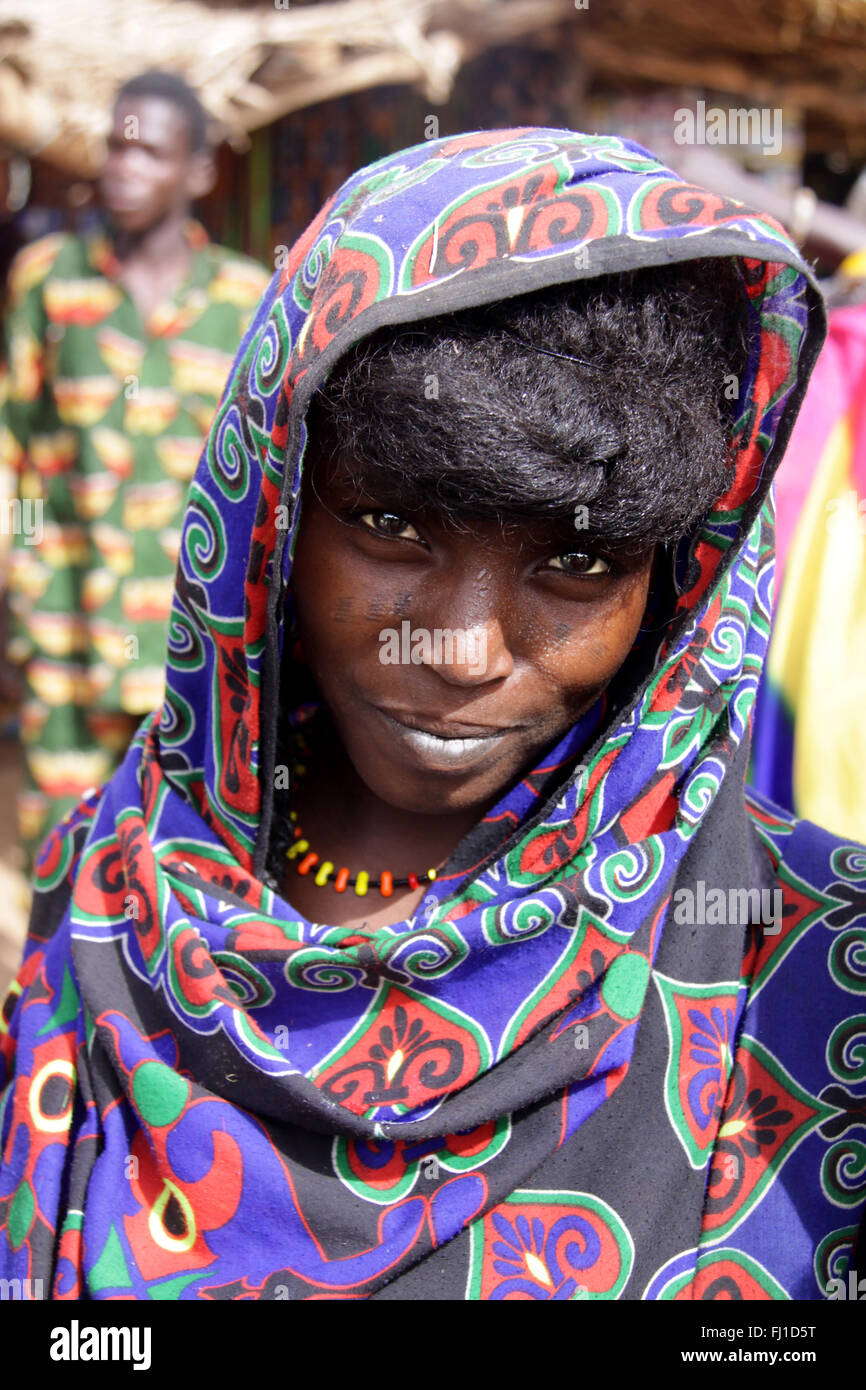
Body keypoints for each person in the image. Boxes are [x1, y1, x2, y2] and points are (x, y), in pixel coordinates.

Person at [1, 127, 864, 1301]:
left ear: (674, 582)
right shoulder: (114, 873)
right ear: (271, 510)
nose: (459, 651)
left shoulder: (810, 972)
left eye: (574, 562)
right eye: (389, 529)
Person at [0, 70, 269, 867]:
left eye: (149, 152)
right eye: (116, 147)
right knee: (61, 845)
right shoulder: (49, 280)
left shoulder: (241, 298)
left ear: (196, 172)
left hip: (192, 632)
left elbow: (263, 468)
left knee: (184, 850)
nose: (123, 168)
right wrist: (20, 560)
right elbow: (11, 440)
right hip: (66, 617)